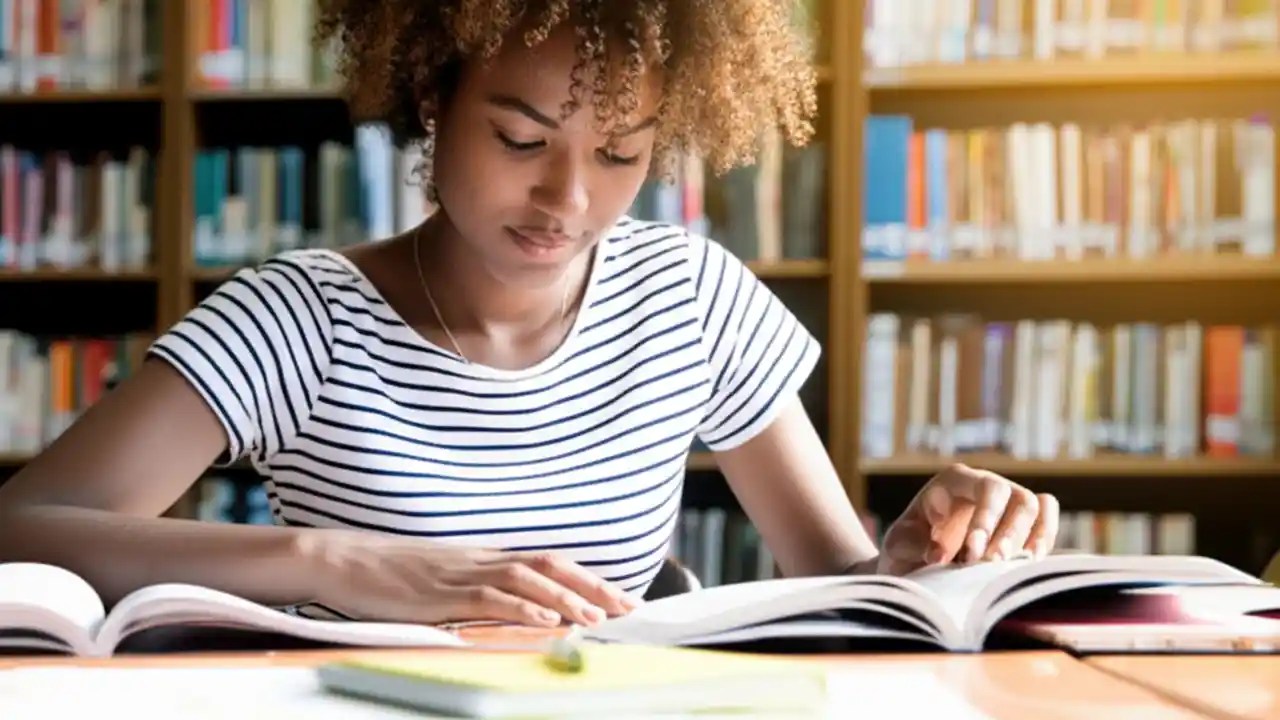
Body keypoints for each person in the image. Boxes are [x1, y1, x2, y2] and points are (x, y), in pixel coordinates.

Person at [0, 0, 1059, 630]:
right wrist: (333, 562)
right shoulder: (301, 318)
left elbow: (836, 581)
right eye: (518, 141)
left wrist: (913, 561)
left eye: (618, 156)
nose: (568, 201)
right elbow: (20, 530)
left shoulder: (688, 298)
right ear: (431, 102)